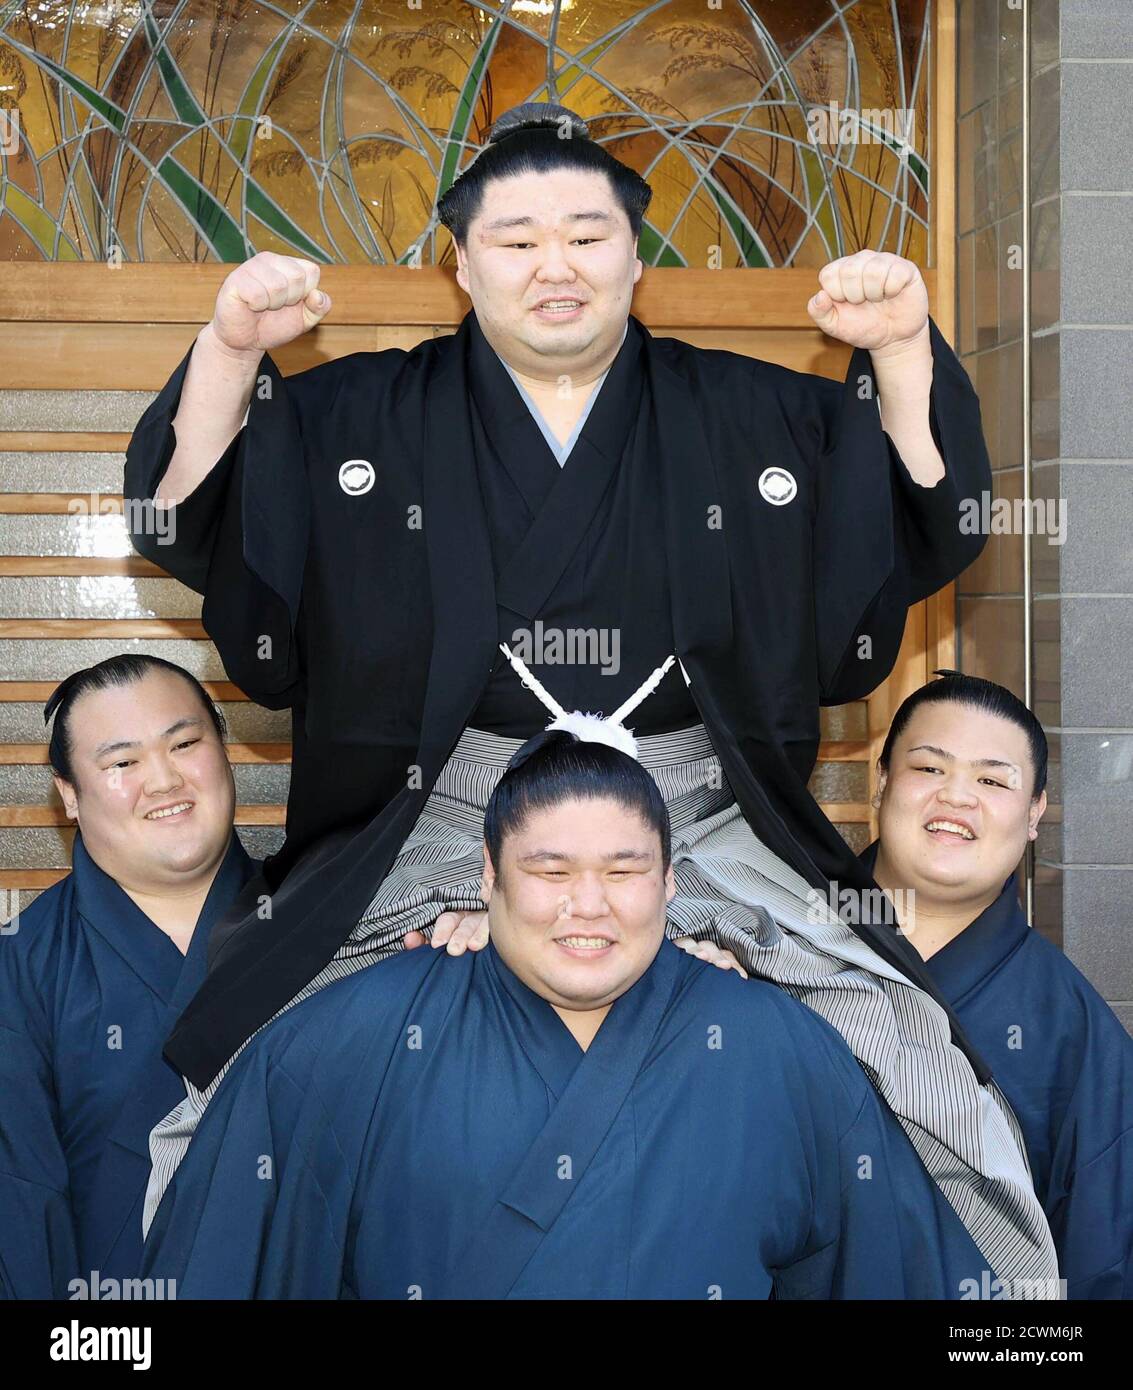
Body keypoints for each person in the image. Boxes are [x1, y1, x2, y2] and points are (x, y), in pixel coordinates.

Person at [125, 103, 1057, 1290]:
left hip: (699, 821)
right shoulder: (356, 412)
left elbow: (924, 521)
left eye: (586, 233)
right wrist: (227, 353)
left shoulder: (752, 410)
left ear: (634, 254)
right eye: (513, 240)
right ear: (458, 263)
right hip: (438, 819)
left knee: (912, 1050)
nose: (552, 266)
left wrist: (902, 352)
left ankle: (1009, 1310)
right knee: (242, 1050)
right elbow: (177, 518)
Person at [143, 730, 995, 1300]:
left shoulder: (782, 1050)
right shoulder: (341, 1041)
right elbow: (219, 1262)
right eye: (549, 872)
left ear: (669, 883)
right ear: (487, 877)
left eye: (623, 872)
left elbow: (892, 1269)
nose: (586, 907)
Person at [863, 671, 1133, 1299]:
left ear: (1035, 812)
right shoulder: (766, 940)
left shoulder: (1075, 1033)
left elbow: (1104, 1271)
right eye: (930, 769)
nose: (957, 799)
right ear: (882, 780)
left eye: (992, 780)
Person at [0, 656, 260, 1299]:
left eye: (186, 743)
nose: (164, 779)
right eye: (123, 763)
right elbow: (19, 1211)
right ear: (68, 794)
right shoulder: (20, 967)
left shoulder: (337, 922)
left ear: (224, 751)